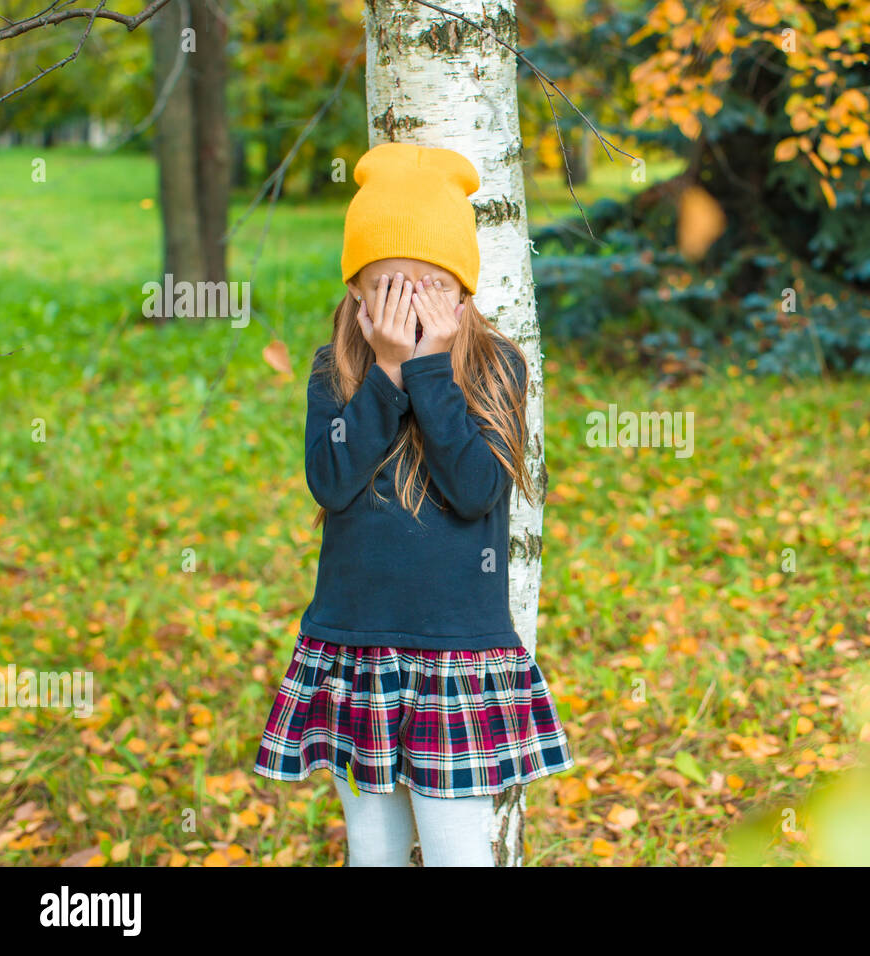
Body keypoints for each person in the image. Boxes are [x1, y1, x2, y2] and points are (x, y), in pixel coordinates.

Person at [253, 142, 574, 866]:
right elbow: (331, 481)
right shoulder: (334, 371)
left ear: (462, 295)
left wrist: (426, 370)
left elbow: (477, 489)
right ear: (357, 294)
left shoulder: (498, 366)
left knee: (458, 847)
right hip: (355, 644)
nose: (408, 305)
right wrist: (386, 376)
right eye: (389, 285)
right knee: (372, 846)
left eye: (428, 285)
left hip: (453, 650)